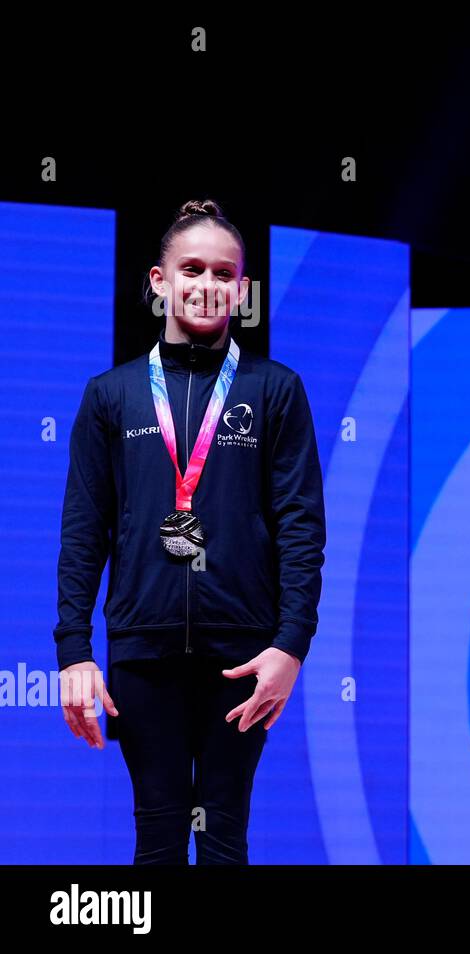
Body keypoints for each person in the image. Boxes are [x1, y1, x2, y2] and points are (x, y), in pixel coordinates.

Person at [55, 199, 326, 864]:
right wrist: (73, 651)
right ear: (159, 280)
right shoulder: (111, 396)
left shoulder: (274, 391)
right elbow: (85, 531)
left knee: (224, 835)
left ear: (242, 288)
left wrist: (291, 645)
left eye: (223, 273)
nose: (206, 284)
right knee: (158, 837)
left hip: (244, 652)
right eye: (191, 269)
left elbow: (301, 528)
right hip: (143, 651)